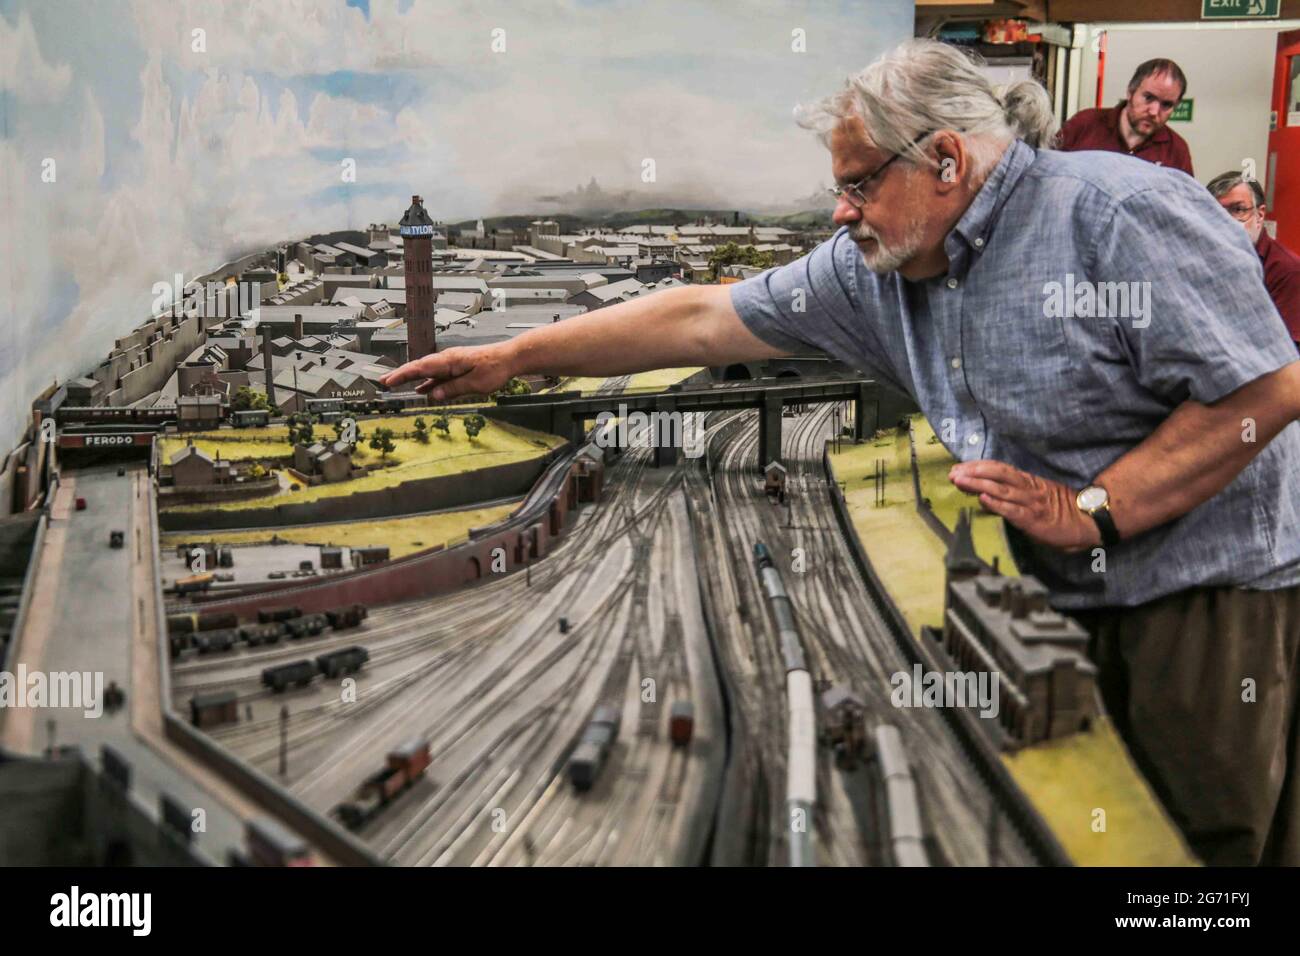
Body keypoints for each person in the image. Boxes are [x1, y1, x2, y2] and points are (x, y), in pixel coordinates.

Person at [382, 39, 1300, 865]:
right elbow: (704, 318)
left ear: (946, 159)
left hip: (1204, 594)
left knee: (1196, 844)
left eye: (860, 183)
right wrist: (511, 357)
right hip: (1061, 581)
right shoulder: (883, 266)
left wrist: (1098, 506)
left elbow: (1265, 389)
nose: (838, 210)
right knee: (1089, 820)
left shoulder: (1117, 213)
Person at [1207, 169, 1300, 350]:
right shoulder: (1202, 259)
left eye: (1238, 210)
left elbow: (1288, 354)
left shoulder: (1287, 270)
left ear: (1260, 214)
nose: (1226, 220)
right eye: (1216, 211)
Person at [1058, 58, 1193, 176]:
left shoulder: (1176, 150)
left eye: (1166, 105)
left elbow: (1184, 203)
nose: (1154, 111)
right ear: (1130, 92)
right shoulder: (1085, 124)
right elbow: (1046, 172)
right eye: (1148, 97)